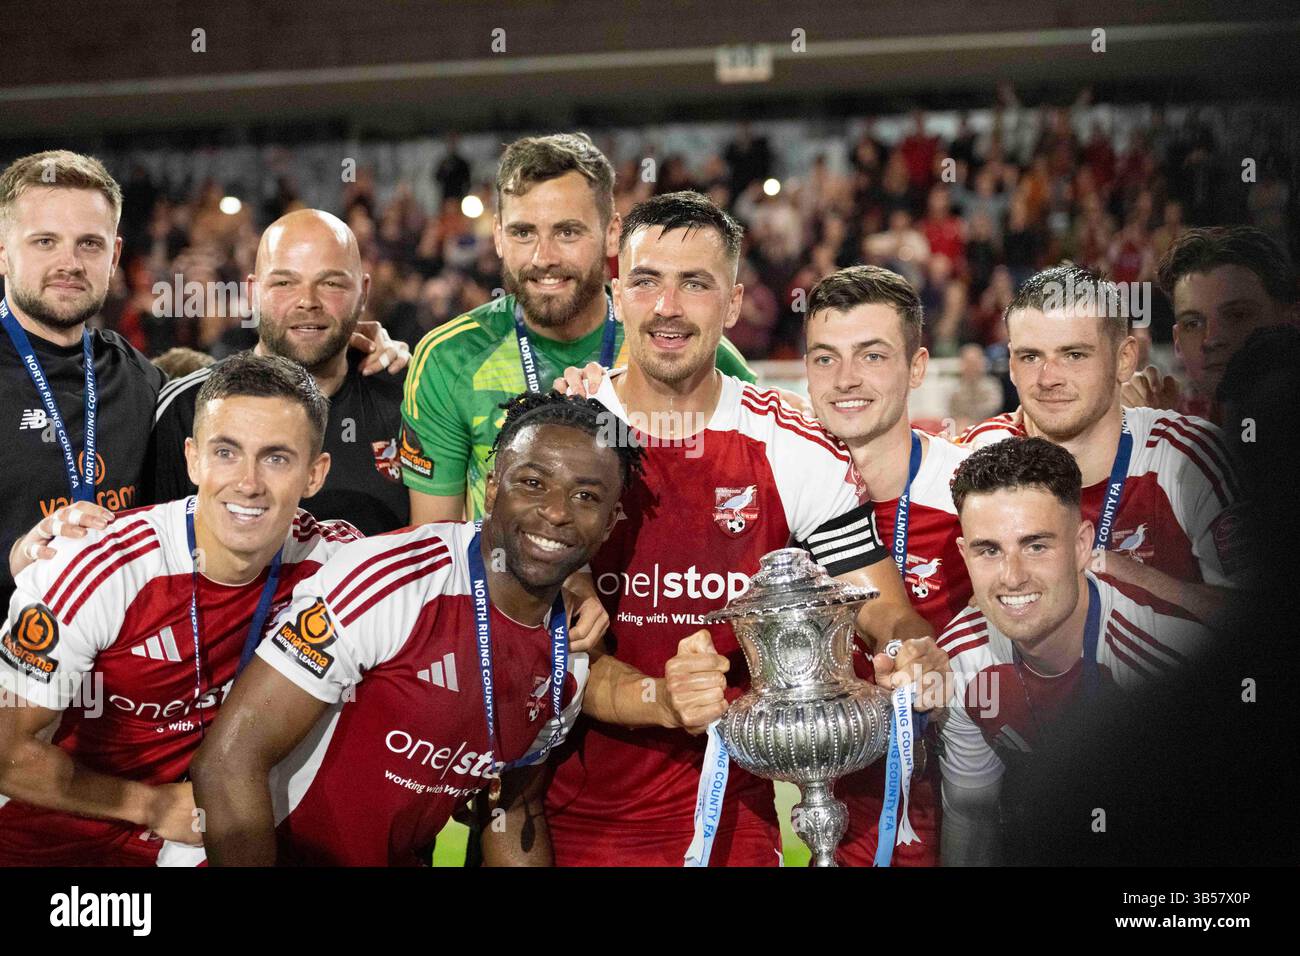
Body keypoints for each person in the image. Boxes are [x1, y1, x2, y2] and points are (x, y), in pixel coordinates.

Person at [550, 192, 947, 866]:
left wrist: (915, 650)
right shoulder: (560, 436)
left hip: (732, 819)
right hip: (572, 815)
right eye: (646, 281)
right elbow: (526, 642)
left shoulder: (791, 441)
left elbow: (881, 605)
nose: (668, 307)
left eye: (695, 283)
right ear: (617, 296)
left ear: (734, 304)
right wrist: (657, 697)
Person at [191, 392, 638, 865]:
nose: (557, 511)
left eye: (585, 496)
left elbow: (510, 805)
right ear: (491, 488)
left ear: (610, 523)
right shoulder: (395, 578)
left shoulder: (569, 657)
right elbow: (227, 760)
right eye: (531, 483)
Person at [0, 354, 360, 865]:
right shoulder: (101, 567)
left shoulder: (337, 566)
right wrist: (150, 805)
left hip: (202, 832)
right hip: (56, 837)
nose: (249, 483)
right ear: (192, 459)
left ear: (314, 474)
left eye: (277, 458)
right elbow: (5, 751)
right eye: (226, 453)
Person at [400, 132, 756, 525]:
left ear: (611, 234)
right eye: (523, 233)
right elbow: (435, 549)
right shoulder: (449, 357)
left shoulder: (677, 340)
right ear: (498, 236)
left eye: (567, 232)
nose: (544, 257)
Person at [937, 437, 1212, 865]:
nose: (1012, 577)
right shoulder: (960, 660)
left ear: (1083, 545)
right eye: (989, 550)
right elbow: (973, 819)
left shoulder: (1169, 653)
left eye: (1036, 546)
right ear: (964, 555)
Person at [800, 264, 974, 866]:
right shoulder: (779, 496)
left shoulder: (971, 491)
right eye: (824, 359)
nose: (845, 379)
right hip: (824, 811)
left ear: (917, 367)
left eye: (872, 356)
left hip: (967, 798)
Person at [958, 265, 1244, 625]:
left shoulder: (1189, 457)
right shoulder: (969, 459)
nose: (1048, 379)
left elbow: (1262, 621)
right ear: (1012, 365)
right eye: (1031, 357)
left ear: (1125, 359)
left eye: (1074, 355)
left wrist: (1117, 575)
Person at [150, 209, 412, 535]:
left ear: (364, 293)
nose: (307, 301)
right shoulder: (187, 405)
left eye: (330, 283)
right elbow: (148, 555)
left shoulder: (409, 398)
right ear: (252, 292)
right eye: (285, 282)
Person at [0, 150, 163, 607]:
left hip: (116, 662)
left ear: (113, 257)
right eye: (45, 241)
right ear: (3, 254)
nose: (70, 262)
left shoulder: (141, 380)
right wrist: (14, 557)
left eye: (89, 243)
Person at [1124, 226, 1299, 421]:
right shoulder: (1170, 420)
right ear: (1178, 341)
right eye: (1192, 324)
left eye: (1237, 315)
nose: (1211, 339)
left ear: (1292, 320)